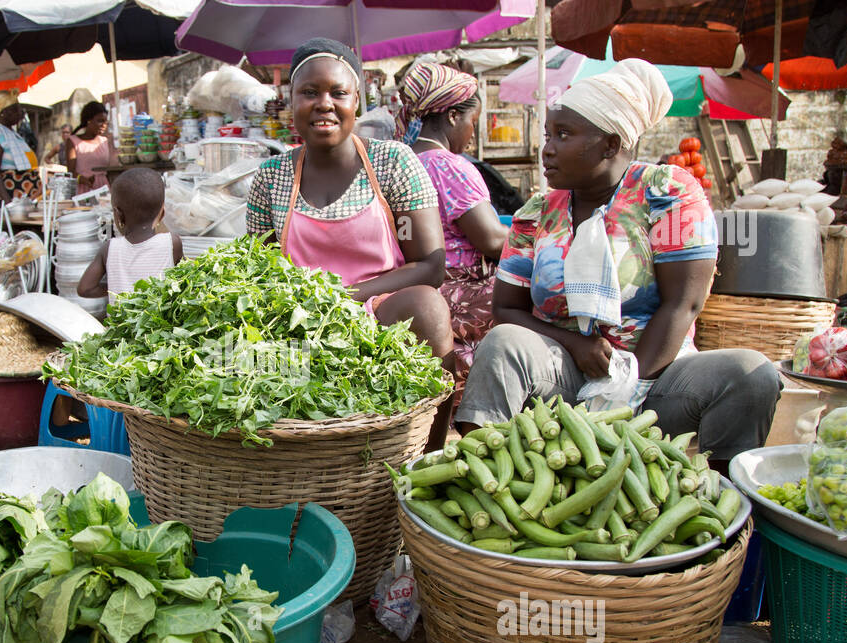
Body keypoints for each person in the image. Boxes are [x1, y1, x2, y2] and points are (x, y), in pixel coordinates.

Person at [454, 58, 782, 469]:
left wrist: (623, 395)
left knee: (751, 374)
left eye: (564, 134)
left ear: (611, 144)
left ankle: (719, 500)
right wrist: (576, 344)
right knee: (501, 344)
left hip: (657, 378)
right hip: (565, 375)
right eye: (548, 135)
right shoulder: (538, 213)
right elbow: (507, 309)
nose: (547, 148)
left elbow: (682, 305)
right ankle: (486, 478)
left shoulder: (667, 193)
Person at [247, 37, 456, 449]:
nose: (324, 103)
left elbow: (431, 266)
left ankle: (429, 450)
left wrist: (342, 298)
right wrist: (309, 309)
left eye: (338, 92)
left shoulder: (393, 162)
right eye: (309, 92)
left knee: (429, 308)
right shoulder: (271, 177)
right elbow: (258, 273)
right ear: (291, 101)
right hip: (300, 321)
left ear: (356, 100)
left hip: (381, 307)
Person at [400, 60, 508, 381]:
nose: (472, 134)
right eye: (473, 122)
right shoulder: (449, 166)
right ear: (452, 117)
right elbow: (491, 239)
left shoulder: (403, 161)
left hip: (415, 286)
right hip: (458, 288)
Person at [78, 167, 183, 304]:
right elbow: (186, 278)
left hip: (119, 325)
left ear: (119, 215)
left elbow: (85, 289)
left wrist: (117, 290)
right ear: (162, 213)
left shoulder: (110, 248)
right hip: (160, 325)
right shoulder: (171, 243)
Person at [0, 89, 41, 204]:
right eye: (15, 109)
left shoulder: (12, 134)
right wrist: (9, 203)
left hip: (25, 195)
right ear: (3, 112)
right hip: (12, 196)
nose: (20, 112)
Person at [66, 102, 112, 195]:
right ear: (88, 120)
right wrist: (84, 179)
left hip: (104, 190)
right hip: (83, 191)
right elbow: (70, 172)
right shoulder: (73, 141)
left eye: (105, 122)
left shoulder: (104, 141)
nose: (104, 125)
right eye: (100, 121)